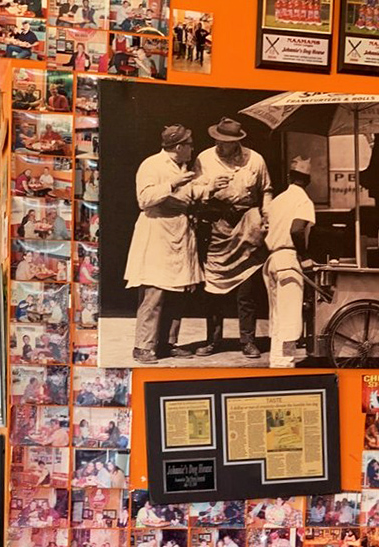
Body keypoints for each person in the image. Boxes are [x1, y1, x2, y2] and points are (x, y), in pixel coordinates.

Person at [124, 125, 211, 364]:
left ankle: (166, 343)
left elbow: (192, 194)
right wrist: (173, 183)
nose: (193, 149)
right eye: (190, 145)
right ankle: (143, 346)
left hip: (179, 234)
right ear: (179, 147)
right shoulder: (151, 165)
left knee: (176, 292)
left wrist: (211, 188)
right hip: (157, 234)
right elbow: (144, 199)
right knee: (154, 293)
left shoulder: (183, 167)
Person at [194, 117, 273, 358]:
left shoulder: (255, 160)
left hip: (247, 225)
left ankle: (247, 340)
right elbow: (194, 190)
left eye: (226, 141)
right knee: (213, 287)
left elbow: (266, 190)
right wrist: (210, 189)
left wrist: (266, 216)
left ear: (237, 141)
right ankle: (213, 340)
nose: (220, 145)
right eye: (218, 140)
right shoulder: (204, 159)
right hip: (217, 224)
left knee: (246, 289)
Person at [262, 157, 315, 368]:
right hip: (289, 259)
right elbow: (296, 229)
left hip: (272, 259)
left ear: (289, 177)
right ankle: (285, 363)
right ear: (309, 180)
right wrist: (304, 256)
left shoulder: (277, 201)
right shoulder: (303, 201)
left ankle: (276, 360)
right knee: (290, 315)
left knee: (277, 315)